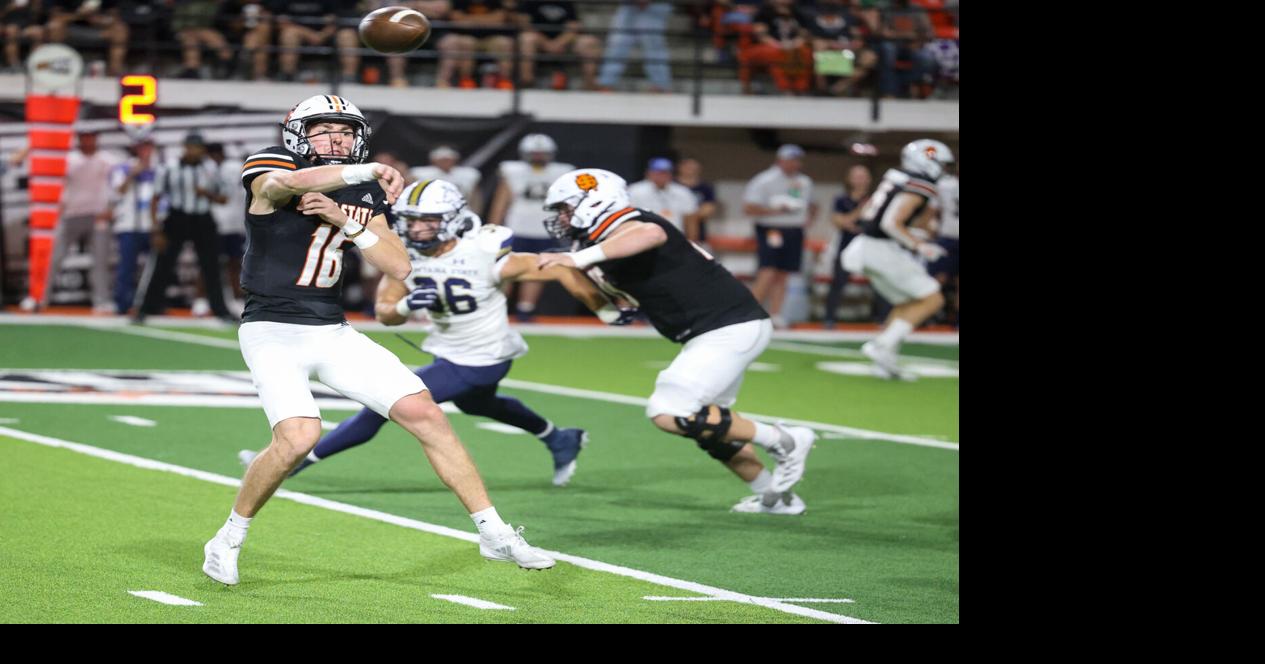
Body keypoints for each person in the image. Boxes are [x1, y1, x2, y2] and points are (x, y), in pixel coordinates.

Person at [201, 93, 555, 587]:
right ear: (298, 134)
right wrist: (363, 171)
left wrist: (346, 220)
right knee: (299, 437)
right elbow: (283, 186)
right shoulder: (274, 162)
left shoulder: (362, 192)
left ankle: (493, 532)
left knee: (426, 414)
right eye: (324, 129)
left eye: (346, 131)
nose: (337, 138)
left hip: (332, 328)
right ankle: (228, 537)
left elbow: (398, 265)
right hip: (272, 329)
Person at [537, 168, 816, 515]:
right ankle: (776, 498)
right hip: (711, 331)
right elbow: (618, 301)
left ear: (593, 201)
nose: (561, 218)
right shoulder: (594, 244)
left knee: (669, 411)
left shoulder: (630, 223)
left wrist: (576, 260)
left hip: (729, 326)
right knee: (707, 427)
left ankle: (785, 439)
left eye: (565, 208)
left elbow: (649, 234)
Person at [841, 138, 952, 379]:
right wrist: (920, 246)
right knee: (933, 299)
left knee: (906, 302)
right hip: (881, 249)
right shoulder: (920, 183)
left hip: (865, 246)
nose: (943, 169)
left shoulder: (897, 177)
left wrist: (913, 235)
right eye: (941, 163)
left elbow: (875, 215)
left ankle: (885, 362)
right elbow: (891, 223)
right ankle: (881, 344)